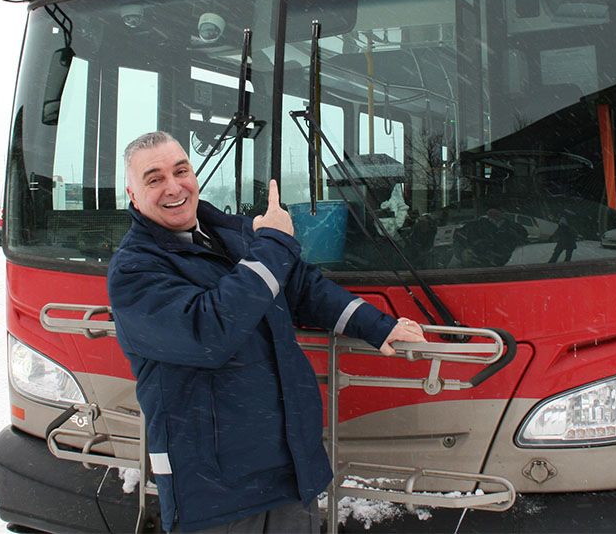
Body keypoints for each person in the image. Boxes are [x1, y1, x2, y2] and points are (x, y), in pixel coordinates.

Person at [107, 131, 425, 533]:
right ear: (132, 195)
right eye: (154, 179)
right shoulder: (134, 270)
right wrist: (273, 243)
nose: (174, 186)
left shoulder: (229, 235)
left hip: (290, 469)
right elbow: (209, 333)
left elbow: (302, 287)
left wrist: (379, 327)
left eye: (181, 170)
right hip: (216, 491)